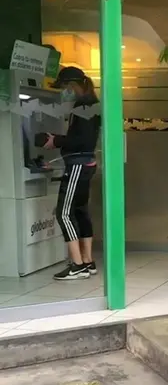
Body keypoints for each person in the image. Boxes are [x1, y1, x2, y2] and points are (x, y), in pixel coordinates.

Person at [44, 66, 101, 280]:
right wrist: (59, 139)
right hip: (86, 163)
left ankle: (77, 265)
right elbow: (83, 138)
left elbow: (80, 140)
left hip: (78, 165)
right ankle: (87, 261)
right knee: (80, 211)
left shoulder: (83, 106)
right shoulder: (91, 103)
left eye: (65, 87)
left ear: (73, 85)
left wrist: (56, 141)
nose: (64, 92)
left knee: (64, 213)